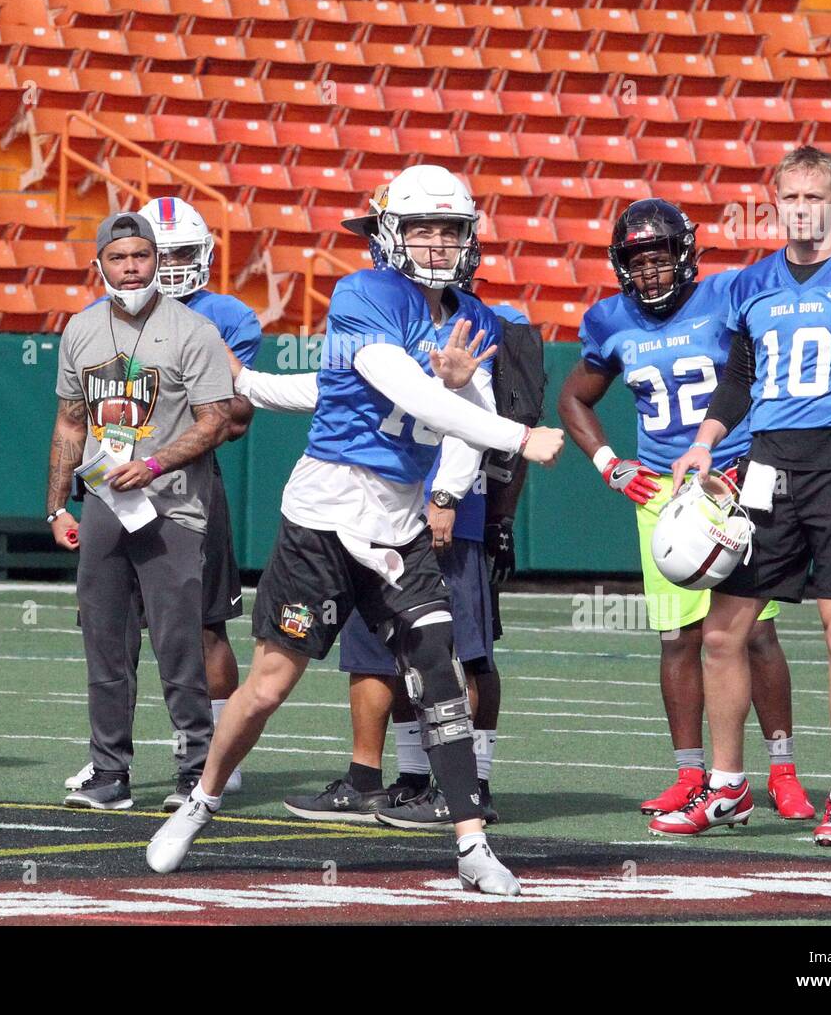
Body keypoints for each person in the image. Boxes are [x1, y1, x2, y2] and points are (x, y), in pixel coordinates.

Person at [145, 164, 565, 896]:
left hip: (401, 522)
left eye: (449, 229)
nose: (437, 243)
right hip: (326, 518)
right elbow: (401, 388)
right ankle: (201, 799)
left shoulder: (469, 315)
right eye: (423, 228)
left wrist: (453, 468)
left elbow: (456, 417)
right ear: (390, 235)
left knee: (438, 669)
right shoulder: (362, 293)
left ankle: (471, 844)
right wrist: (513, 433)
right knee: (273, 683)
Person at [663, 146, 831, 844]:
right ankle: (727, 786)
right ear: (775, 201)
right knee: (724, 631)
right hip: (768, 464)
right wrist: (704, 439)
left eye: (815, 198)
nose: (802, 209)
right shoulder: (753, 285)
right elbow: (739, 377)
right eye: (791, 198)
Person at [557, 199, 813, 820]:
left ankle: (782, 769)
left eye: (660, 256)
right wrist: (611, 466)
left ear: (685, 255)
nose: (649, 271)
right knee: (678, 639)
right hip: (666, 496)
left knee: (756, 632)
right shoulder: (609, 320)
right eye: (637, 261)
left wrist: (762, 448)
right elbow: (572, 398)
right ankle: (691, 774)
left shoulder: (725, 298)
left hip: (735, 482)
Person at [264, 295, 533, 829]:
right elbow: (327, 389)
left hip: (446, 505)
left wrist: (461, 502)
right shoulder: (379, 310)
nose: (430, 248)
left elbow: (499, 420)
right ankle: (387, 780)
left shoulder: (488, 321)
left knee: (460, 651)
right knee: (374, 652)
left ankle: (467, 786)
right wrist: (247, 382)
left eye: (444, 232)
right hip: (379, 509)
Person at [64, 196, 259, 799]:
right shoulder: (92, 321)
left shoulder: (217, 319)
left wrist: (156, 460)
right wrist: (61, 500)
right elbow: (75, 416)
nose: (156, 265)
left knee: (199, 627)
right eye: (137, 253)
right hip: (110, 488)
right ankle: (111, 765)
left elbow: (237, 414)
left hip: (184, 488)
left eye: (169, 254)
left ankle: (210, 759)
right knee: (108, 631)